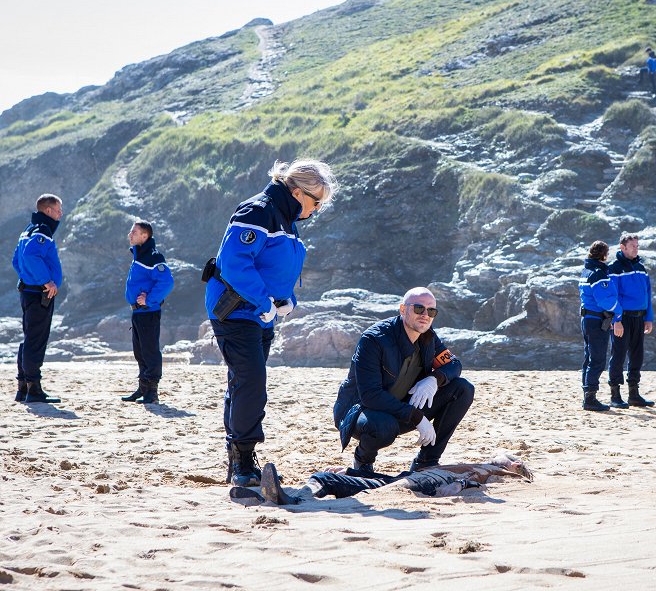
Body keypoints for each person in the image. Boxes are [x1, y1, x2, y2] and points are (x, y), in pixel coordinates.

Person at [205, 159, 338, 487]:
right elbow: (236, 263)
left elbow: (276, 266)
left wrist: (285, 299)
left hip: (259, 314)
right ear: (296, 192)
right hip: (237, 311)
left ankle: (237, 456)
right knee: (251, 382)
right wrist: (263, 301)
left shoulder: (287, 219)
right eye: (316, 201)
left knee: (242, 382)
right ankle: (243, 462)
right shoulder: (258, 211)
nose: (317, 209)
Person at [333, 287, 475, 473]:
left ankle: (426, 461)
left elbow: (454, 364)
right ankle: (363, 462)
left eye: (431, 311)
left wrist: (434, 379)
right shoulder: (374, 339)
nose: (425, 315)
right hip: (361, 412)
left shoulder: (428, 336)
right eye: (418, 308)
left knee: (462, 388)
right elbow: (370, 396)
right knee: (384, 427)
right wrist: (416, 417)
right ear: (402, 309)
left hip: (401, 407)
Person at [237, 454, 533, 505]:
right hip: (401, 478)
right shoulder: (485, 465)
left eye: (511, 461)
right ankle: (282, 497)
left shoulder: (495, 474)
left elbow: (469, 485)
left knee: (382, 491)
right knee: (324, 476)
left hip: (421, 483)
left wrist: (512, 468)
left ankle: (291, 501)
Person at [11, 194, 64, 403]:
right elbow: (31, 257)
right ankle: (34, 390)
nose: (61, 213)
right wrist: (46, 281)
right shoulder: (42, 230)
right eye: (59, 209)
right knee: (36, 340)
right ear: (48, 210)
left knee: (29, 339)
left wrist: (28, 277)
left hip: (28, 291)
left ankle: (23, 387)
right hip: (38, 294)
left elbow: (17, 260)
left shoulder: (28, 230)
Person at [121, 220, 174, 404]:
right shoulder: (139, 256)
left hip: (148, 311)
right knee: (140, 351)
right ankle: (143, 388)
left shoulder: (153, 256)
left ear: (145, 236)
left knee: (150, 350)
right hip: (138, 313)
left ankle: (152, 392)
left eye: (134, 232)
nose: (130, 234)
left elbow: (167, 282)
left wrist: (150, 299)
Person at [608, 233, 655, 408]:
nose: (636, 248)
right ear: (623, 247)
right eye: (633, 246)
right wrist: (617, 320)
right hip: (623, 319)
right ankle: (615, 395)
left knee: (637, 356)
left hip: (639, 318)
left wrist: (648, 318)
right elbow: (614, 297)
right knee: (618, 355)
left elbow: (648, 295)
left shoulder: (642, 268)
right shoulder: (614, 268)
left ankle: (634, 395)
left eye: (637, 245)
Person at [578, 241, 623, 412]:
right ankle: (590, 397)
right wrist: (619, 311)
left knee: (589, 357)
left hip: (587, 319)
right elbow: (605, 300)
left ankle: (587, 394)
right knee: (597, 359)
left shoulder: (586, 271)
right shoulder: (598, 274)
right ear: (603, 255)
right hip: (596, 320)